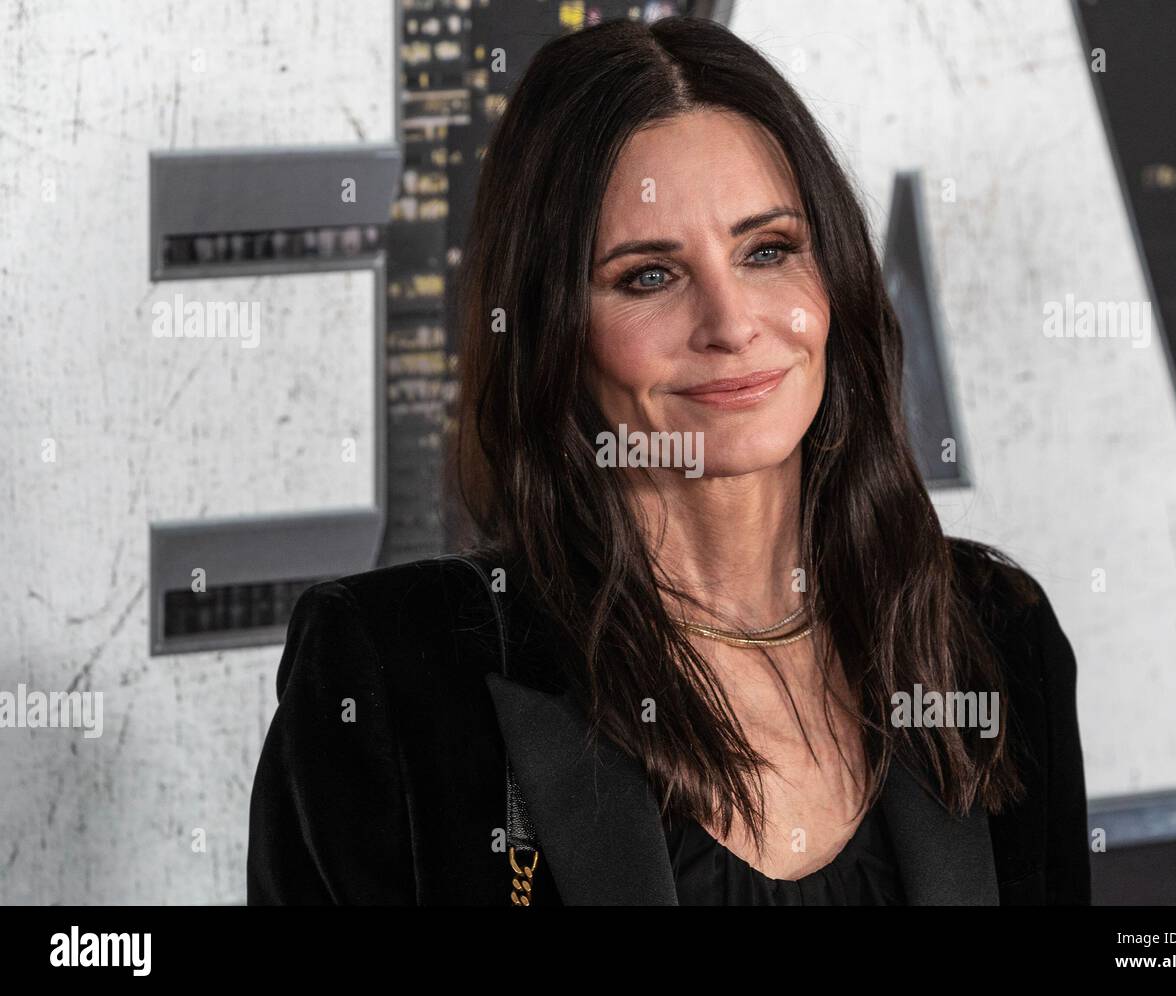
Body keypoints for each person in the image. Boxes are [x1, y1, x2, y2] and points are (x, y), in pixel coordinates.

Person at [246, 14, 1090, 906]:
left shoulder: (992, 641)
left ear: (833, 278)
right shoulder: (393, 676)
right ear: (551, 333)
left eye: (768, 250)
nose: (731, 325)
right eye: (649, 275)